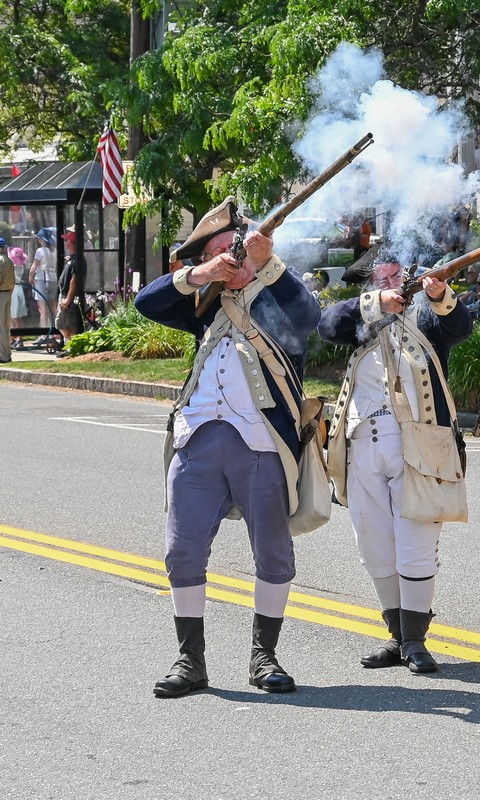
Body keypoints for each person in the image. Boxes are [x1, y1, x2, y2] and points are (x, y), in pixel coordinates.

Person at [133, 197, 322, 698]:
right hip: (196, 441)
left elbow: (309, 319)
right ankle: (190, 661)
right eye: (219, 253)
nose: (230, 259)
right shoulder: (201, 302)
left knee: (273, 554)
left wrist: (269, 265)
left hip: (262, 444)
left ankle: (265, 657)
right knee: (182, 551)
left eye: (234, 250)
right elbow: (145, 303)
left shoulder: (274, 296)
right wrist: (199, 276)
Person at [318, 252, 472, 675]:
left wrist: (441, 295)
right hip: (361, 446)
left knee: (415, 545)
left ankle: (415, 641)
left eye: (396, 276)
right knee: (374, 547)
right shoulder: (359, 323)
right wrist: (376, 306)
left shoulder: (426, 319)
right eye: (381, 279)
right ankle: (396, 635)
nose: (392, 284)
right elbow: (326, 324)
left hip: (418, 447)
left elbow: (461, 328)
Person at [55, 228, 87, 346]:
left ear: (72, 243)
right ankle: (71, 346)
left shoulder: (77, 260)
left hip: (68, 296)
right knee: (68, 323)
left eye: (67, 240)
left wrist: (68, 298)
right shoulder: (72, 258)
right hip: (63, 294)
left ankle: (71, 344)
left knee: (61, 323)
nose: (65, 242)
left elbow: (74, 280)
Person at [29, 228, 57, 330]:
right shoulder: (54, 251)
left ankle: (43, 333)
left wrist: (30, 277)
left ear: (42, 239)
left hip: (42, 279)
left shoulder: (40, 251)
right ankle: (55, 330)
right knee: (52, 308)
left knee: (43, 310)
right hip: (53, 279)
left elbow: (33, 267)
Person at [0, 239, 13, 363]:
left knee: (0, 327)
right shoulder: (8, 260)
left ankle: (2, 356)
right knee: (5, 325)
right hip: (8, 293)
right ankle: (7, 354)